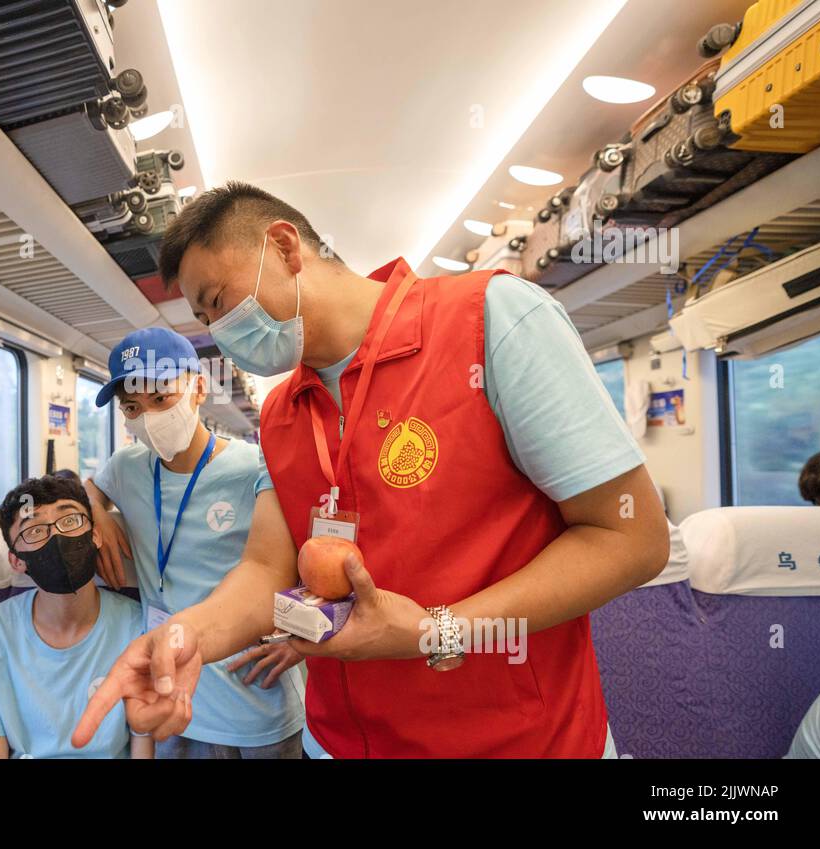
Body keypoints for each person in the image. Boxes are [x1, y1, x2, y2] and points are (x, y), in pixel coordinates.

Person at [74, 181, 669, 758]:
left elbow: (630, 537)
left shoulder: (488, 319)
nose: (221, 335)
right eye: (206, 322)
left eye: (220, 304)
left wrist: (435, 631)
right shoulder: (283, 412)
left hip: (512, 743)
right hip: (334, 742)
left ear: (284, 248)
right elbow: (265, 569)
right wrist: (185, 639)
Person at [85, 326, 305, 758]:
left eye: (160, 400)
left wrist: (305, 639)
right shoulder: (126, 467)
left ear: (198, 388)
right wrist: (97, 513)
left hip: (256, 694)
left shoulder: (257, 467)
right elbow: (89, 489)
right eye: (132, 407)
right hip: (171, 699)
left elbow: (304, 560)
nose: (147, 417)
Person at [0, 473, 150, 758]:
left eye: (69, 521)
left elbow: (144, 737)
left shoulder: (137, 625)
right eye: (35, 530)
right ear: (17, 560)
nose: (56, 534)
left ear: (94, 535)